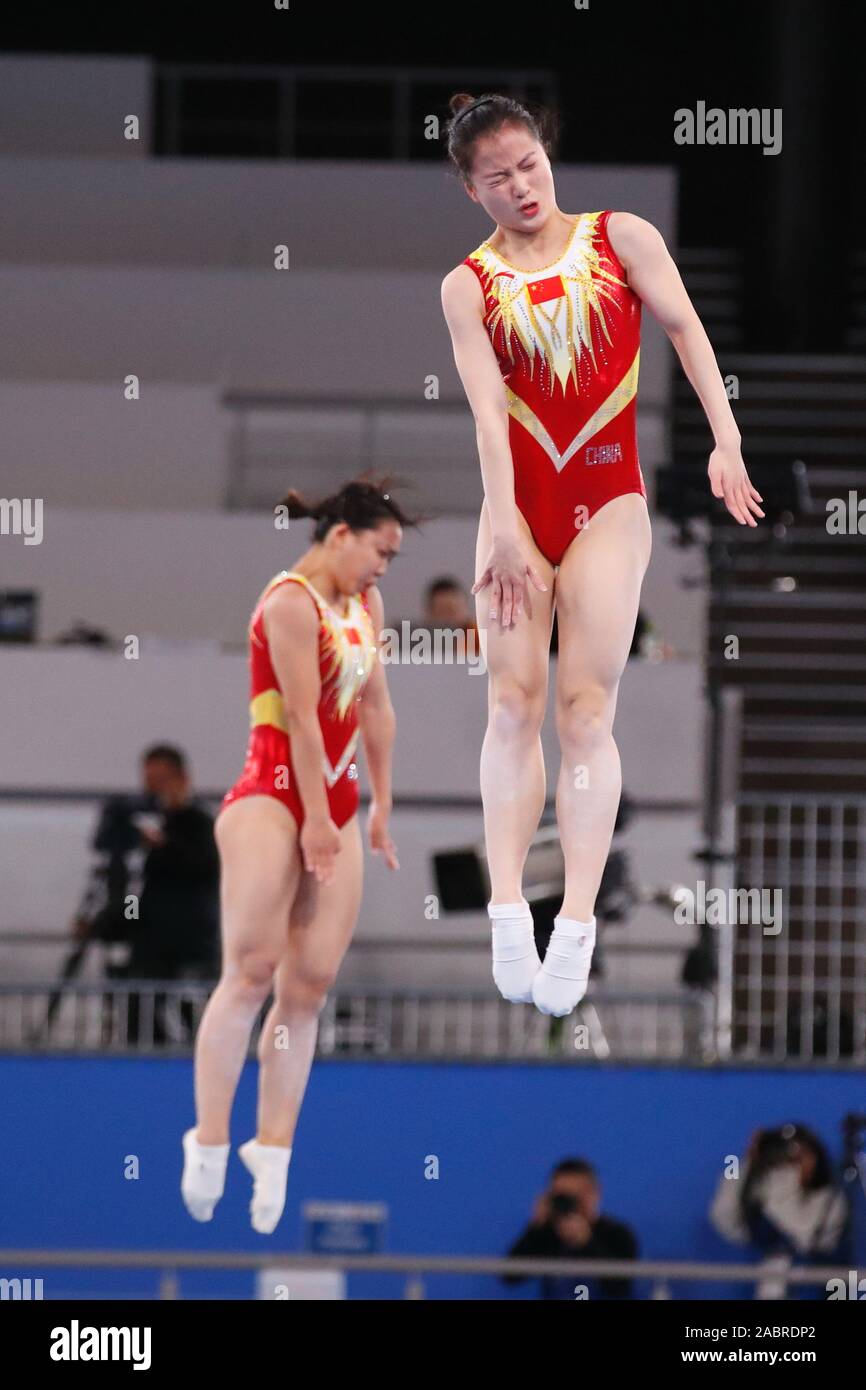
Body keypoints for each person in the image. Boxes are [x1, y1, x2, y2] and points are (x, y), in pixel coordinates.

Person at [440, 91, 764, 1016]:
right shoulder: (468, 286)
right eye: (498, 177)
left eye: (530, 164)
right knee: (511, 703)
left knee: (584, 712)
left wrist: (725, 437)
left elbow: (686, 330)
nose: (522, 185)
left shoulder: (622, 237)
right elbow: (487, 413)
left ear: (547, 153)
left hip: (607, 501)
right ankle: (509, 904)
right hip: (517, 507)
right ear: (473, 190)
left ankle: (575, 918)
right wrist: (502, 527)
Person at [181, 476, 414, 1234]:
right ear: (340, 534)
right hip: (271, 795)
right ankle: (210, 1139)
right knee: (251, 972)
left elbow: (375, 708)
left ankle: (271, 1149)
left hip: (335, 805)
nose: (385, 569)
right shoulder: (288, 602)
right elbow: (306, 720)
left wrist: (377, 808)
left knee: (308, 986)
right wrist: (315, 817)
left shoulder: (366, 607)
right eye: (380, 552)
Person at [124, 745, 220, 1046]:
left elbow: (205, 866)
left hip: (191, 937)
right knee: (141, 1006)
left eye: (163, 780)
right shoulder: (138, 823)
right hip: (148, 935)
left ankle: (199, 1056)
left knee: (193, 1010)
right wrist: (124, 920)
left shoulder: (200, 823)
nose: (156, 789)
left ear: (182, 780)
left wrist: (164, 844)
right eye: (150, 781)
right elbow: (129, 882)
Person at [709, 1123, 850, 1299]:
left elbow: (804, 1236)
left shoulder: (829, 1198)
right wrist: (749, 1162)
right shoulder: (760, 1190)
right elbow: (723, 1216)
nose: (788, 1164)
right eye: (781, 1151)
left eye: (798, 1153)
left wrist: (793, 1183)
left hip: (817, 1288)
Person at [504, 1158, 639, 1300]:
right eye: (562, 1197)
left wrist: (586, 1243)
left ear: (595, 1193)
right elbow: (510, 1276)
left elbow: (621, 1288)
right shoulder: (547, 1234)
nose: (570, 1204)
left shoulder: (617, 1234)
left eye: (575, 1196)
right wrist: (535, 1228)